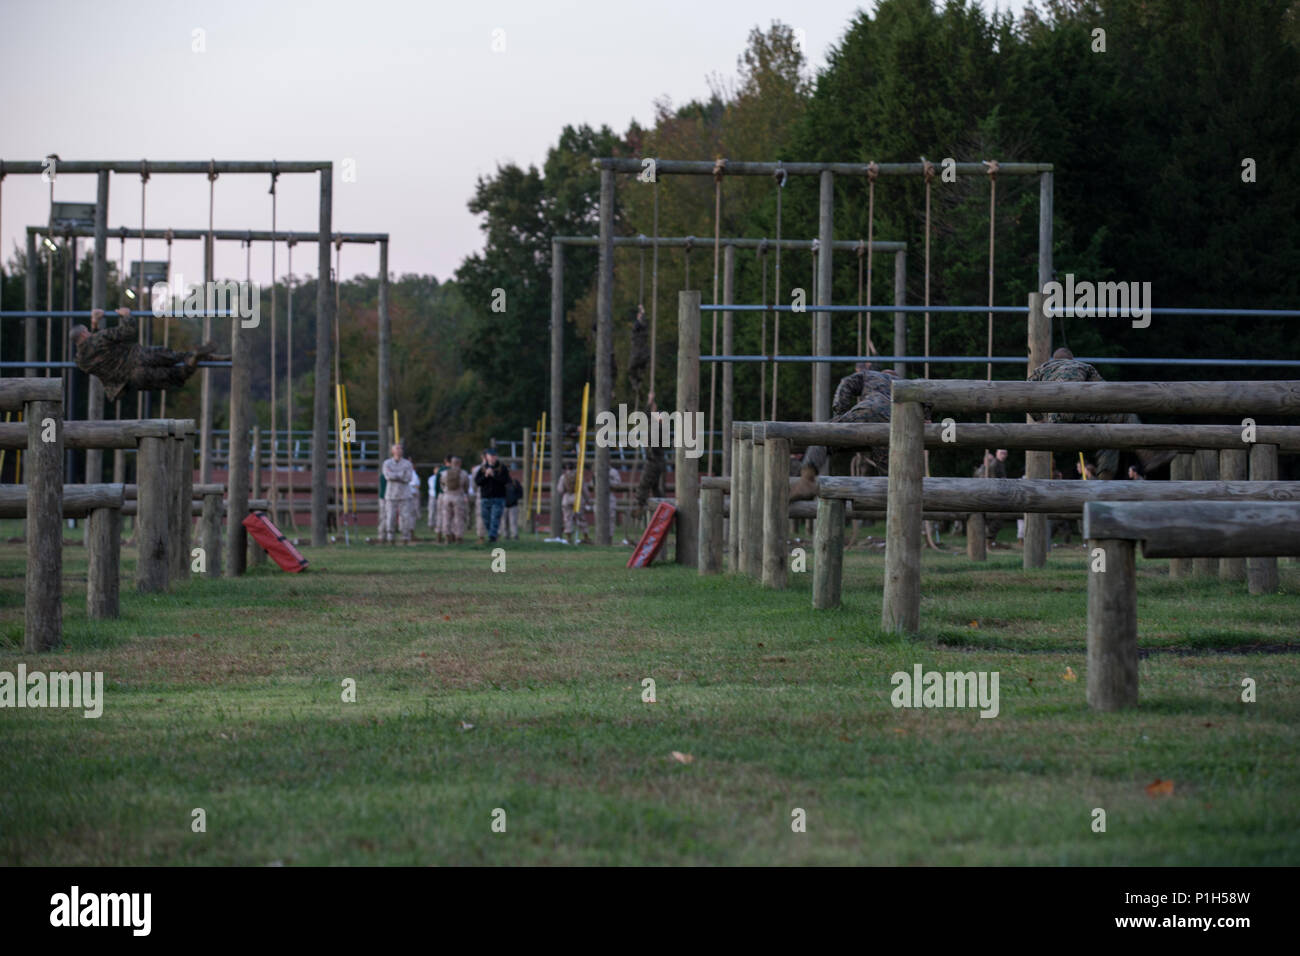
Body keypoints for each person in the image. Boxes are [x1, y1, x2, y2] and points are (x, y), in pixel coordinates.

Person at [1028, 347, 1174, 479]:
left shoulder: (1041, 369)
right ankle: (1147, 456)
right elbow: (1104, 392)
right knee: (1121, 418)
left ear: (1054, 360)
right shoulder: (1083, 366)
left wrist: (1040, 419)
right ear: (1072, 360)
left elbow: (1026, 392)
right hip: (1079, 414)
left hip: (1055, 420)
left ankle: (1106, 473)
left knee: (1109, 427)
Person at [74, 307, 225, 402]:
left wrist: (94, 325)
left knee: (177, 375)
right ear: (83, 334)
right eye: (87, 331)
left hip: (133, 377)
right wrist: (126, 316)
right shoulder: (100, 338)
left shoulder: (81, 362)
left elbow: (93, 348)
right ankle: (199, 355)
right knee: (176, 356)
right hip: (141, 355)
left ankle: (197, 358)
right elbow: (128, 331)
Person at [380, 443, 417, 545]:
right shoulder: (387, 463)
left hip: (404, 494)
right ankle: (390, 537)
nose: (399, 450)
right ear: (392, 451)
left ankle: (405, 537)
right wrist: (400, 474)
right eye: (397, 448)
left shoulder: (407, 464)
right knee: (390, 516)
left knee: (405, 517)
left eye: (400, 448)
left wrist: (394, 475)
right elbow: (387, 476)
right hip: (391, 494)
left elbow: (408, 478)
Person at [473, 448, 510, 544]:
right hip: (485, 497)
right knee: (486, 518)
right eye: (490, 456)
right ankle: (491, 534)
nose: (492, 458)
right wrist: (485, 475)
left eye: (494, 456)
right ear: (487, 457)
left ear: (496, 457)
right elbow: (477, 482)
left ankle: (492, 537)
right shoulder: (482, 468)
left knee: (495, 517)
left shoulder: (502, 468)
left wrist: (494, 475)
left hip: (498, 497)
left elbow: (505, 481)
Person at [439, 456, 469, 543]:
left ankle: (447, 535)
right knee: (459, 517)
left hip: (447, 496)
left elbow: (442, 485)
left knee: (446, 517)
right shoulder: (463, 473)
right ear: (460, 463)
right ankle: (458, 536)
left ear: (451, 463)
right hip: (458, 496)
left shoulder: (444, 473)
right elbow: (466, 486)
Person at [557, 461, 586, 544]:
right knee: (581, 517)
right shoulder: (579, 476)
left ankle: (568, 537)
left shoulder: (563, 477)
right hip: (578, 497)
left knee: (567, 518)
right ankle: (585, 535)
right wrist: (587, 499)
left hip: (567, 497)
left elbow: (560, 489)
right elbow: (584, 488)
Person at [429, 455, 449, 538]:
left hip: (441, 495)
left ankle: (439, 533)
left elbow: (436, 485)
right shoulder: (455, 470)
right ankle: (449, 534)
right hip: (450, 494)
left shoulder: (441, 471)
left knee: (440, 514)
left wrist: (438, 495)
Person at [502, 472, 524, 540]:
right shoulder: (501, 483)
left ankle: (515, 535)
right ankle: (506, 536)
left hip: (513, 506)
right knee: (504, 522)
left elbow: (520, 493)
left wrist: (514, 498)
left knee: (513, 522)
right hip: (504, 505)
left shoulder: (515, 483)